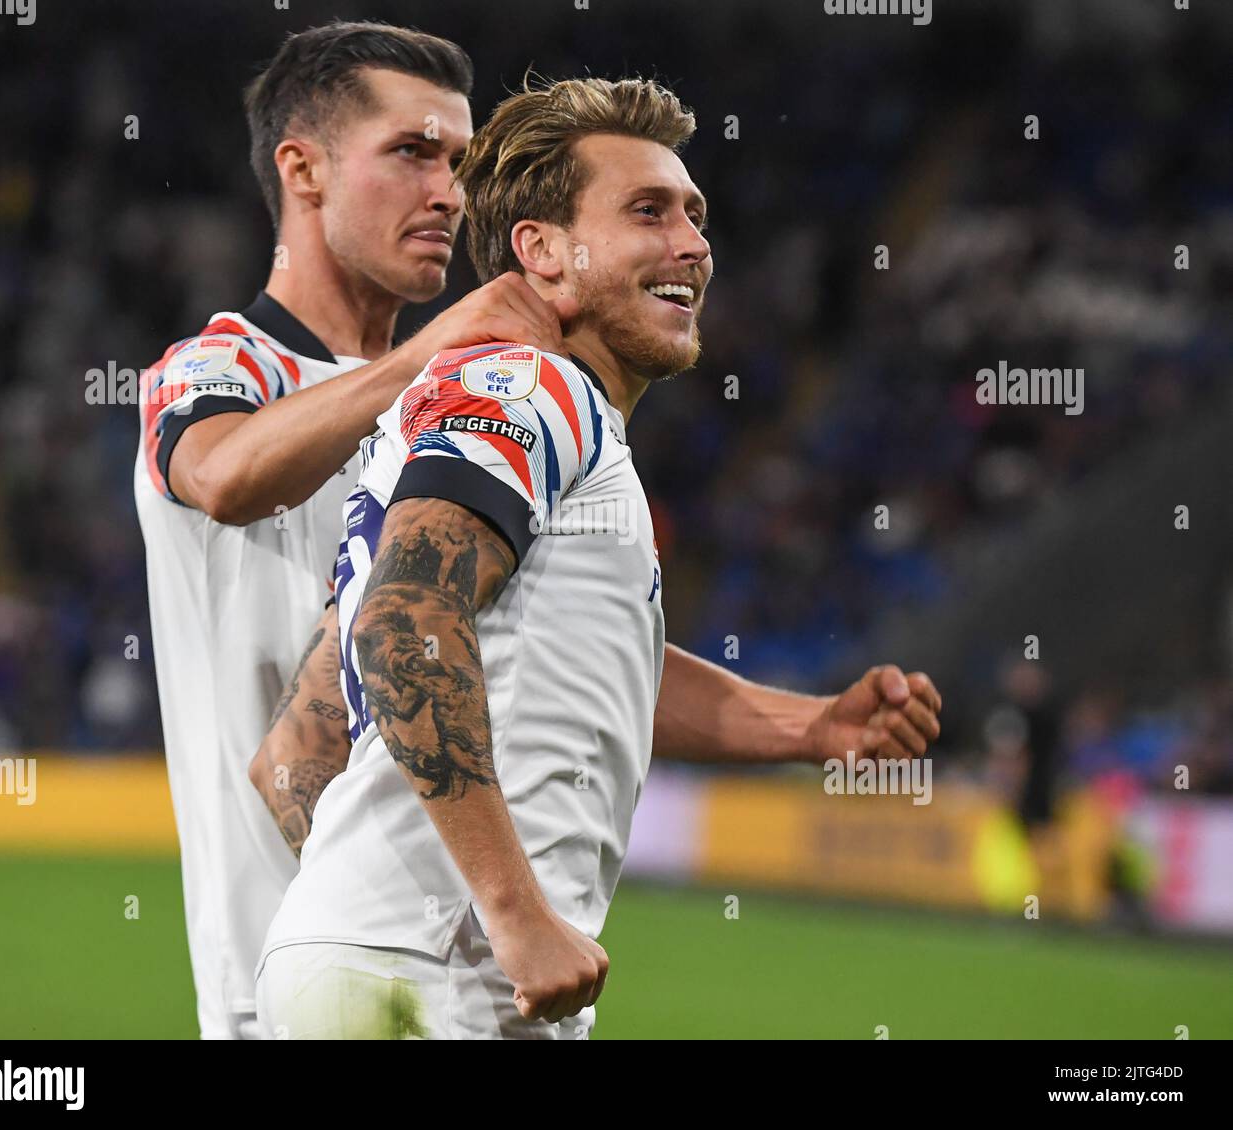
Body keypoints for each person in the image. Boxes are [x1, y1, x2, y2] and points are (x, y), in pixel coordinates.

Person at [252, 75, 943, 1039]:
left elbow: (301, 748)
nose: (693, 246)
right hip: (439, 981)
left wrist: (808, 727)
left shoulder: (469, 421)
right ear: (542, 252)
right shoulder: (535, 387)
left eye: (696, 217)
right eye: (648, 212)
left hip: (395, 972)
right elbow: (407, 624)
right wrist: (506, 912)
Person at [133, 20, 574, 1040]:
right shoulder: (212, 370)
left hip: (470, 980)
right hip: (286, 982)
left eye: (461, 161)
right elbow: (228, 474)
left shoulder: (458, 394)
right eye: (413, 152)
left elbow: (545, 648)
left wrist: (800, 726)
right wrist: (426, 355)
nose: (449, 192)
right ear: (304, 170)